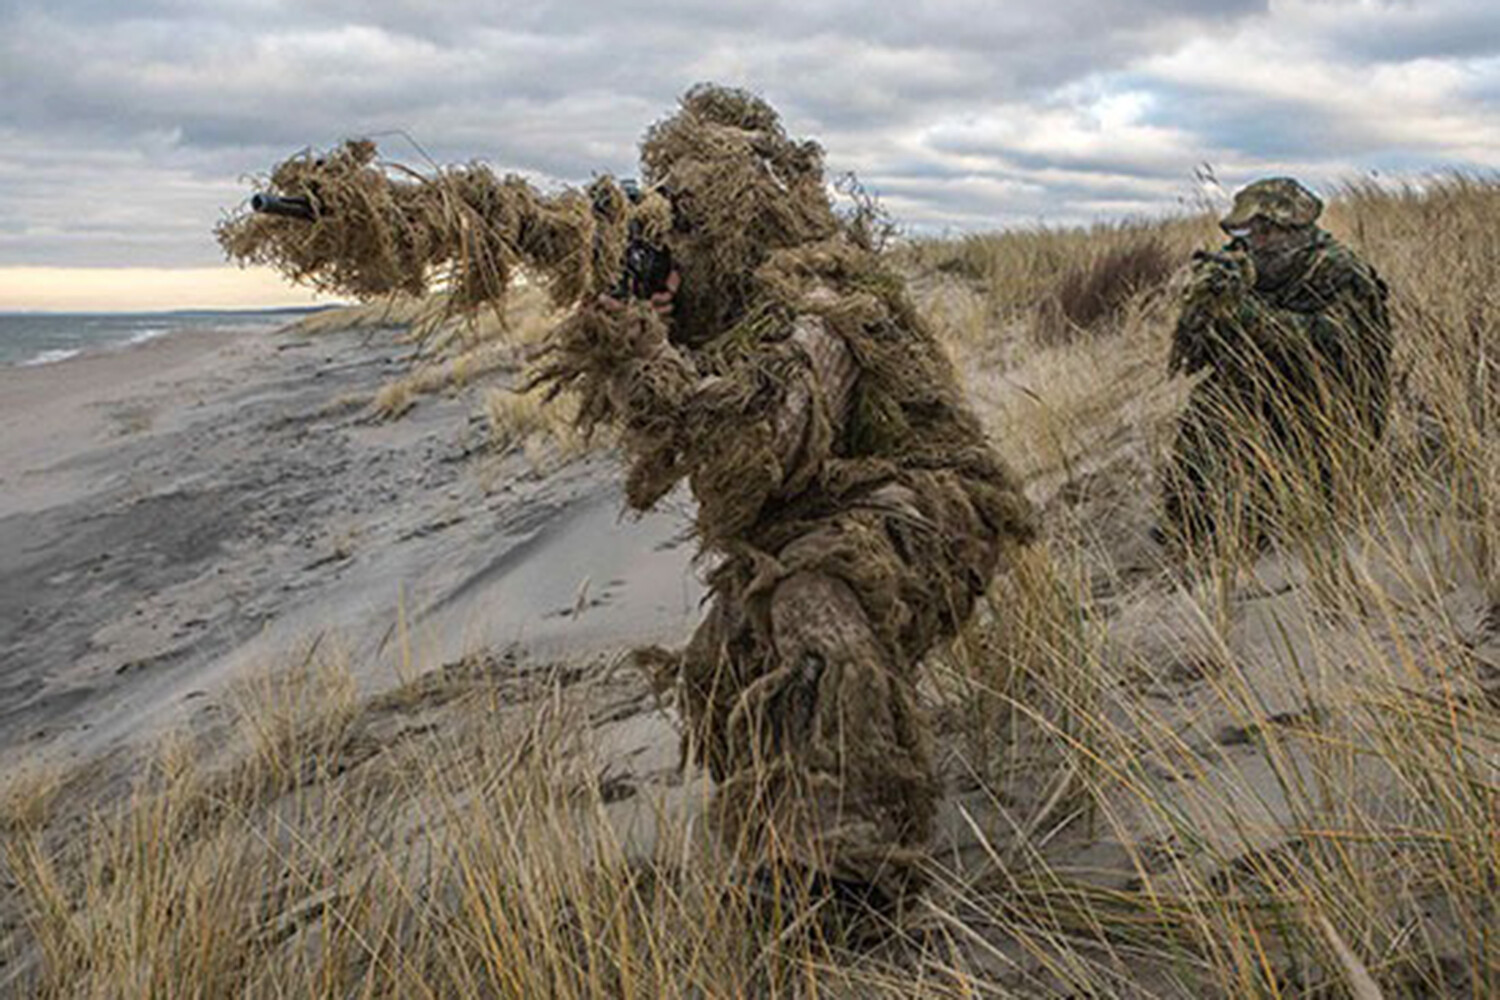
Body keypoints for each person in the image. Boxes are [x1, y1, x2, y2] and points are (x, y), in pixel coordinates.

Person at [218, 84, 1037, 914]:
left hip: (931, 507)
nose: (669, 231)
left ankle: (854, 873)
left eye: (688, 213)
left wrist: (648, 353)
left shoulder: (819, 296)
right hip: (818, 509)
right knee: (728, 668)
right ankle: (787, 833)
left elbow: (757, 454)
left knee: (817, 597)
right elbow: (532, 223)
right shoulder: (717, 300)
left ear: (738, 215)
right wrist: (370, 213)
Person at [1162, 176, 1392, 547]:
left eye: (1265, 232)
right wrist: (1203, 306)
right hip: (1267, 388)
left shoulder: (1338, 270)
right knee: (1209, 410)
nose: (1254, 243)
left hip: (1330, 405)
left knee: (1296, 505)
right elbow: (1201, 355)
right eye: (1248, 232)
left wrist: (1244, 312)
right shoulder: (1241, 262)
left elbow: (1328, 346)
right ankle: (1191, 523)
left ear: (1295, 230)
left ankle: (1274, 524)